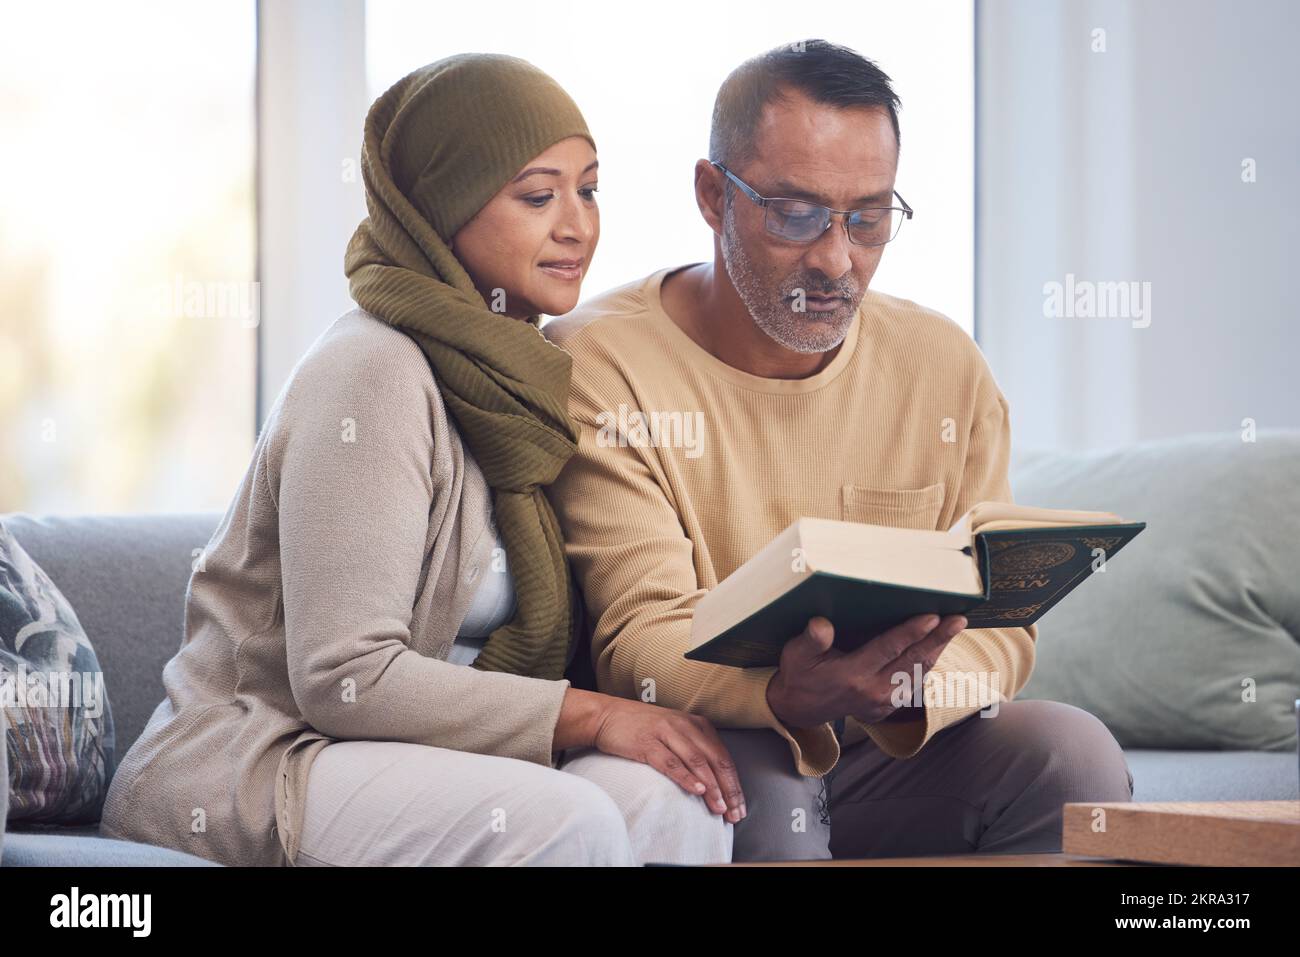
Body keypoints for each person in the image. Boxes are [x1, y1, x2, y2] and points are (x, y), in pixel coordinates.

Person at [99, 53, 743, 867]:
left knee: (674, 799)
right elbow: (343, 677)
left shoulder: (519, 378)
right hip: (269, 758)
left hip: (417, 754)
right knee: (568, 822)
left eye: (589, 189)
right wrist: (590, 712)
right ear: (444, 206)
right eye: (539, 196)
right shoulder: (374, 370)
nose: (577, 224)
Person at [544, 39, 1135, 862]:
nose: (836, 258)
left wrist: (902, 693)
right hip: (727, 737)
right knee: (772, 794)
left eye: (869, 216)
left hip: (892, 747)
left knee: (1073, 755)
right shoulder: (603, 362)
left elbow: (1004, 628)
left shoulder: (942, 364)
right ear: (714, 195)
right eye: (795, 214)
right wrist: (785, 694)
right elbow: (639, 636)